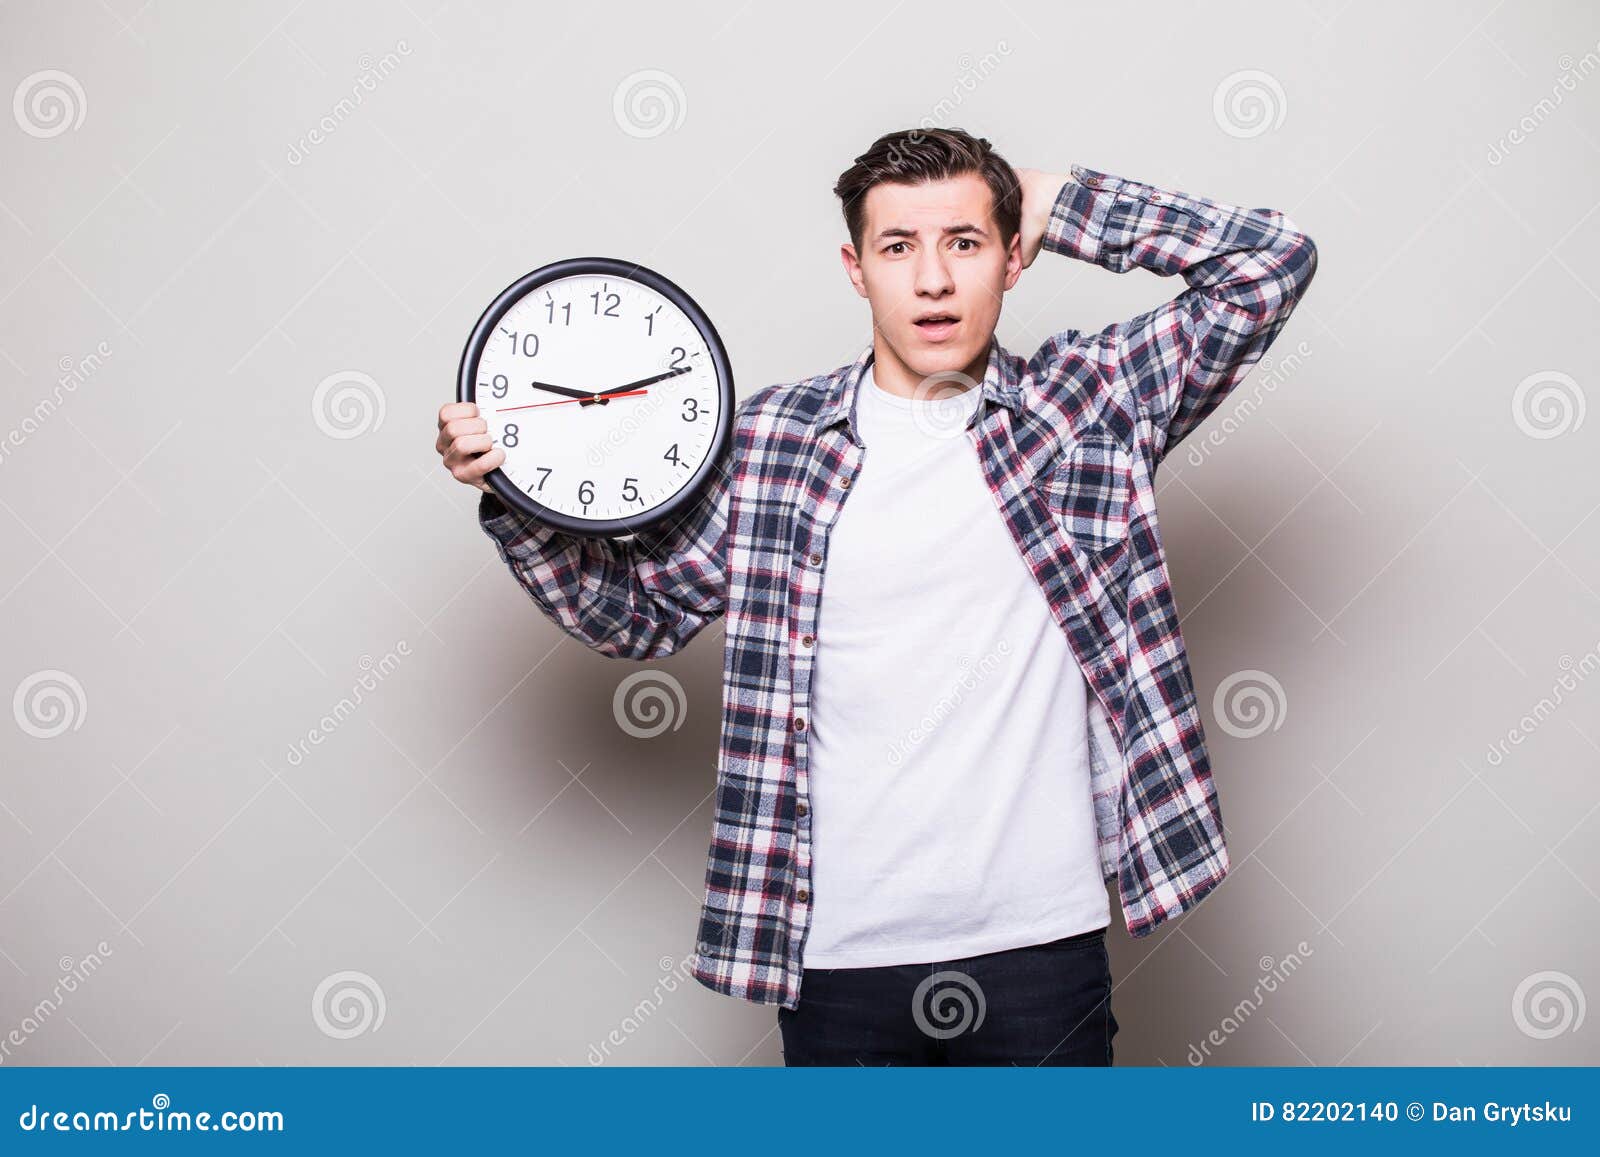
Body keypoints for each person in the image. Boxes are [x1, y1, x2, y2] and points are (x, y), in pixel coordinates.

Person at [435, 127, 1318, 1066]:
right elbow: (634, 615)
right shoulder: (771, 442)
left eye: (964, 243)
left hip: (1041, 950)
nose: (933, 280)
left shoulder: (1087, 407)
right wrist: (512, 495)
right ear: (856, 268)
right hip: (840, 960)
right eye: (900, 247)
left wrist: (1048, 195)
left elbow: (1270, 264)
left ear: (1014, 256)